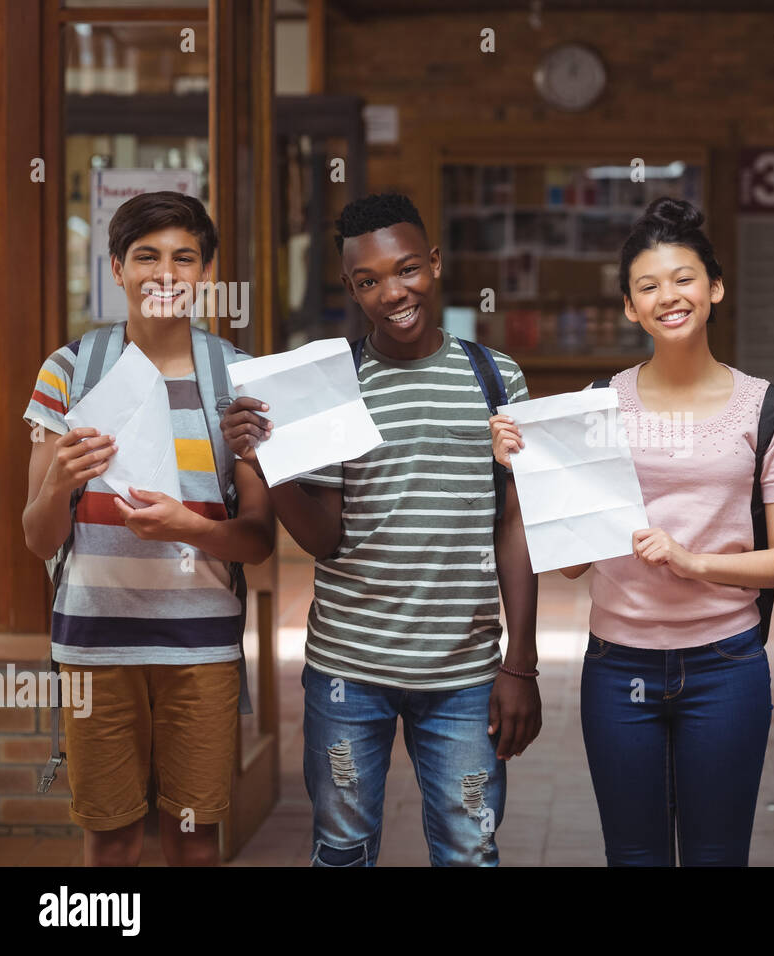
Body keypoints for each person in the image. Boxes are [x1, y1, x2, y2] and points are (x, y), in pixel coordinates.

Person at [221, 192, 539, 867]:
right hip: (348, 672)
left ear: (435, 263)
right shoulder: (332, 387)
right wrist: (269, 463)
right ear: (350, 288)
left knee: (469, 850)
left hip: (464, 673)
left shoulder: (496, 380)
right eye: (369, 281)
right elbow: (325, 539)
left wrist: (522, 663)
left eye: (406, 271)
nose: (392, 292)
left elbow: (516, 527)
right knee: (341, 849)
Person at [490, 198, 774, 866]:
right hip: (618, 666)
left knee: (717, 855)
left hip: (727, 665)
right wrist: (525, 469)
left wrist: (693, 563)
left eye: (685, 278)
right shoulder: (597, 408)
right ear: (631, 308)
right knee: (633, 857)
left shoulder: (768, 409)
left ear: (715, 288)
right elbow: (573, 565)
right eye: (648, 286)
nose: (670, 296)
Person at [22, 191, 274, 866]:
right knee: (111, 838)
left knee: (194, 841)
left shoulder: (238, 379)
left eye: (184, 257)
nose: (166, 273)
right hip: (94, 644)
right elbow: (37, 538)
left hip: (200, 648)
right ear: (117, 269)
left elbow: (258, 539)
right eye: (147, 256)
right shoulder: (69, 372)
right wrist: (59, 482)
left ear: (208, 274)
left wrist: (190, 527)